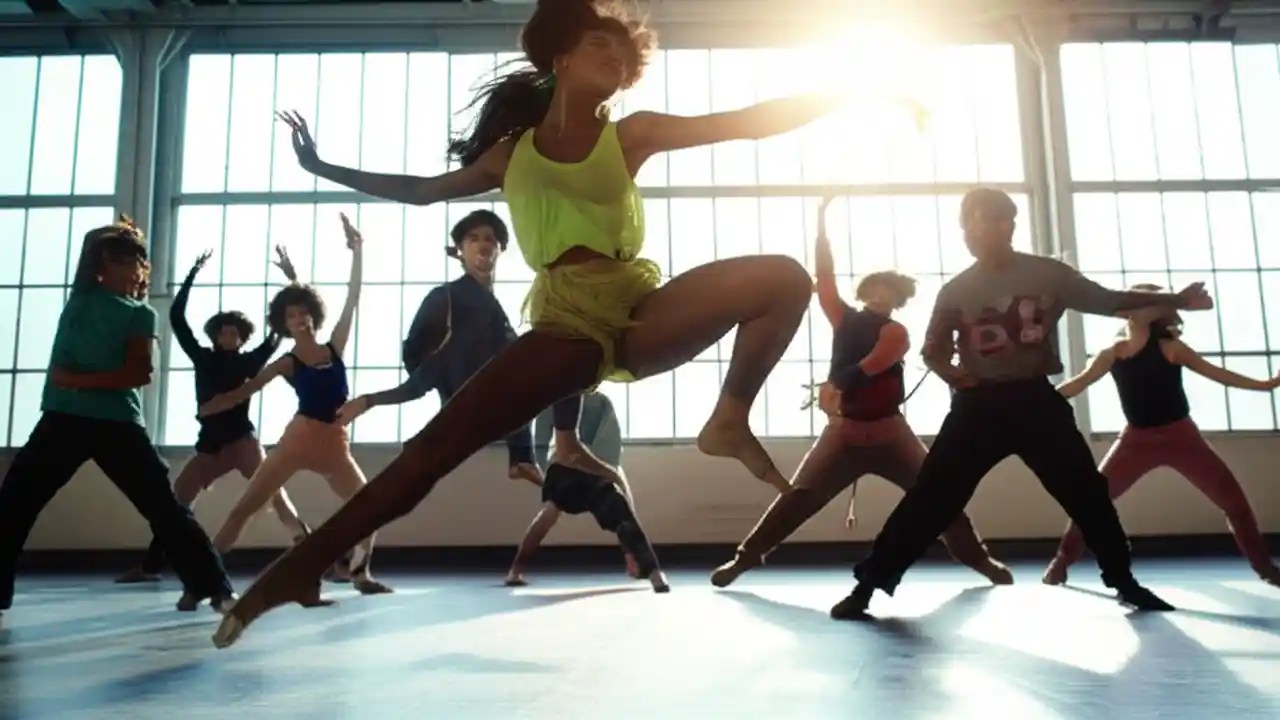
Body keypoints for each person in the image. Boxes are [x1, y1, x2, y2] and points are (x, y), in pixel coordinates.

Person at [213, 0, 911, 648]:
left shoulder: (632, 134)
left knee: (782, 278)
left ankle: (727, 418)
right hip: (567, 321)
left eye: (621, 49)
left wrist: (858, 90)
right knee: (436, 447)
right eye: (597, 43)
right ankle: (302, 565)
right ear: (561, 61)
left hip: (637, 306)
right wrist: (319, 164)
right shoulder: (511, 154)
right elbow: (422, 192)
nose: (615, 55)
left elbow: (747, 120)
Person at [830, 187, 1215, 620]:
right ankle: (867, 587)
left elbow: (1106, 300)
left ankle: (1124, 581)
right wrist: (958, 376)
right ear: (964, 230)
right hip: (978, 406)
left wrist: (1176, 300)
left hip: (1035, 400)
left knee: (1087, 493)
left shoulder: (1048, 275)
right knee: (932, 497)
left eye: (995, 220)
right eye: (973, 223)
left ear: (1009, 225)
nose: (983, 231)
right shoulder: (957, 291)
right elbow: (933, 351)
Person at [710, 195, 1012, 588]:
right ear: (866, 292)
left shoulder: (897, 334)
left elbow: (870, 367)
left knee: (940, 495)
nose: (879, 296)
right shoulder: (844, 318)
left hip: (890, 432)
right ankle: (743, 560)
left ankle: (979, 560)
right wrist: (821, 225)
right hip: (844, 433)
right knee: (799, 498)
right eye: (874, 290)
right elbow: (825, 280)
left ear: (897, 299)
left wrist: (835, 383)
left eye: (888, 293)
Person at [0, 217, 235, 618]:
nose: (127, 266)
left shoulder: (140, 314)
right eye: (118, 258)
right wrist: (123, 231)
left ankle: (216, 590)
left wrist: (78, 379)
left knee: (164, 507)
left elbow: (138, 374)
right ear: (100, 264)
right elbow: (92, 247)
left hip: (117, 423)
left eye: (134, 260)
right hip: (63, 418)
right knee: (15, 503)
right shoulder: (81, 298)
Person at [336, 209, 613, 484]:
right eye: (473, 239)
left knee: (561, 355)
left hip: (493, 400)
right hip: (460, 390)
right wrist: (368, 401)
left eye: (490, 240)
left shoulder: (495, 317)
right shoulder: (448, 297)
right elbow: (421, 368)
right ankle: (524, 453)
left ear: (500, 249)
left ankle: (535, 452)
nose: (483, 245)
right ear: (460, 250)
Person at [198, 213, 391, 596]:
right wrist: (217, 404)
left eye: (303, 314)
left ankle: (360, 574)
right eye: (291, 317)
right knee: (245, 507)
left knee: (371, 507)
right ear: (284, 324)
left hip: (335, 443)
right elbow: (248, 388)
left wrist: (358, 250)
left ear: (312, 316)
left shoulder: (334, 346)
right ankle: (204, 581)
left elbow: (353, 299)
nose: (300, 320)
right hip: (298, 439)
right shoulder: (288, 362)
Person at [1044, 288, 1280, 587]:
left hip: (1182, 437)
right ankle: (1062, 561)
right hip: (1135, 441)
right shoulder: (1112, 353)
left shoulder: (1171, 348)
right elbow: (1076, 385)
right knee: (1092, 502)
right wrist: (1037, 397)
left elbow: (1219, 374)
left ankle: (1265, 568)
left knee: (1235, 503)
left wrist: (1266, 385)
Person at [116, 247, 312, 584]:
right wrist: (192, 273)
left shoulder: (249, 362)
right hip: (209, 446)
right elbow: (177, 318)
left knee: (273, 491)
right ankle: (150, 566)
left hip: (243, 442)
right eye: (224, 332)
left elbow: (281, 331)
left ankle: (307, 547)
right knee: (175, 500)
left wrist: (292, 280)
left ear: (241, 338)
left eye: (235, 334)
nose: (229, 337)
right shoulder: (203, 357)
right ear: (216, 336)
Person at [505, 391, 667, 591]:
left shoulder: (594, 402)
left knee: (615, 503)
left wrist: (605, 472)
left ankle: (516, 570)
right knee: (618, 504)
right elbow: (553, 445)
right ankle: (649, 568)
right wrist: (609, 473)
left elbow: (548, 444)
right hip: (575, 468)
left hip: (578, 467)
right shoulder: (563, 399)